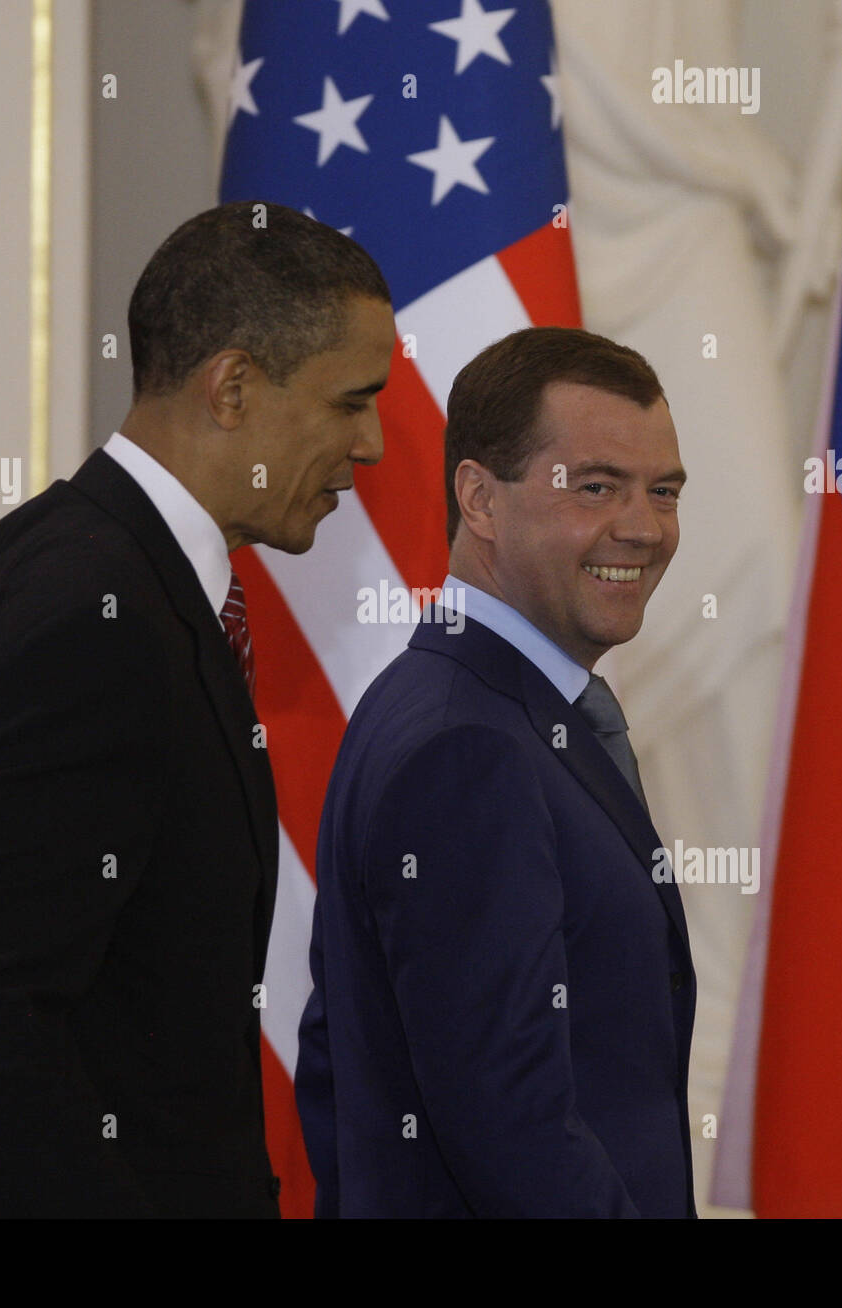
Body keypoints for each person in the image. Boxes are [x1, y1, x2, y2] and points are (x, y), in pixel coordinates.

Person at [0, 202, 395, 1218]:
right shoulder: (98, 614)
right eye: (351, 401)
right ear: (235, 388)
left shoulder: (78, 561)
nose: (373, 444)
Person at [296, 326, 696, 1217]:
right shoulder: (465, 750)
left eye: (662, 491)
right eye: (596, 486)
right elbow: (515, 1136)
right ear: (479, 498)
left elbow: (336, 1066)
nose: (642, 528)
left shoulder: (447, 703)